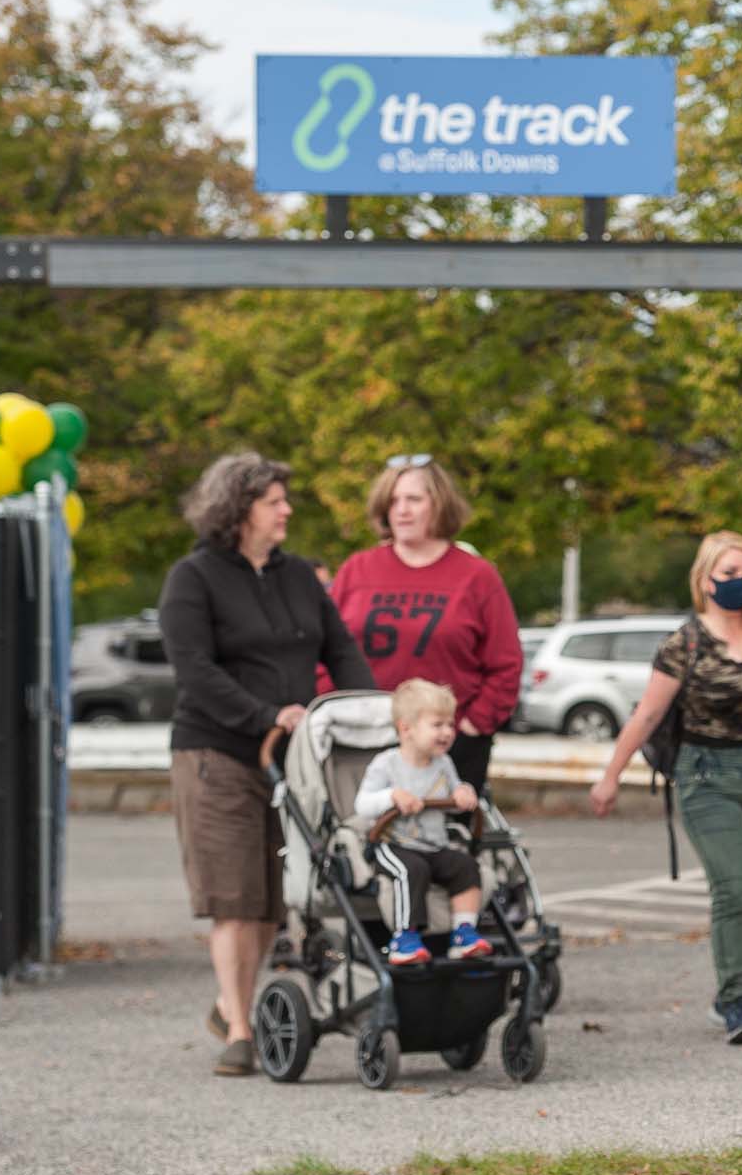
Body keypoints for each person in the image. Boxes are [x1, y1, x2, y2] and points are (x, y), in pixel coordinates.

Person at [158, 451, 374, 1077]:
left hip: (294, 761)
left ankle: (233, 1002)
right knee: (236, 898)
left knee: (272, 902)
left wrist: (368, 713)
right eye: (274, 501)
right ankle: (242, 1030)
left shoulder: (300, 578)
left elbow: (341, 650)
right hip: (216, 754)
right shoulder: (192, 579)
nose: (287, 510)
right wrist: (265, 714)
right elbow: (194, 670)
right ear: (239, 509)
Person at [588, 531, 742, 1045]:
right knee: (732, 888)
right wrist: (610, 776)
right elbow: (648, 714)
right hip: (708, 777)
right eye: (729, 574)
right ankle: (736, 998)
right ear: (704, 580)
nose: (740, 583)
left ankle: (732, 987)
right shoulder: (683, 644)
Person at [330, 455, 523, 797]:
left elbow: (505, 663)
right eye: (393, 501)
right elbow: (323, 647)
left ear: (440, 504)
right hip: (361, 737)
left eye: (414, 499)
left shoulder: (476, 576)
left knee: (438, 846)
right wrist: (333, 706)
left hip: (448, 745)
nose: (402, 510)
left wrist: (472, 725)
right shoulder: (357, 570)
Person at [354, 678, 494, 965]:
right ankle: (404, 937)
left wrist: (463, 794)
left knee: (465, 865)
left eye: (450, 725)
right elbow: (362, 804)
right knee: (411, 870)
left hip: (434, 844)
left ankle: (464, 932)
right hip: (394, 844)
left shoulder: (443, 764)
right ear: (406, 728)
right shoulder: (387, 763)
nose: (446, 732)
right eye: (437, 725)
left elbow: (454, 796)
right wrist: (392, 796)